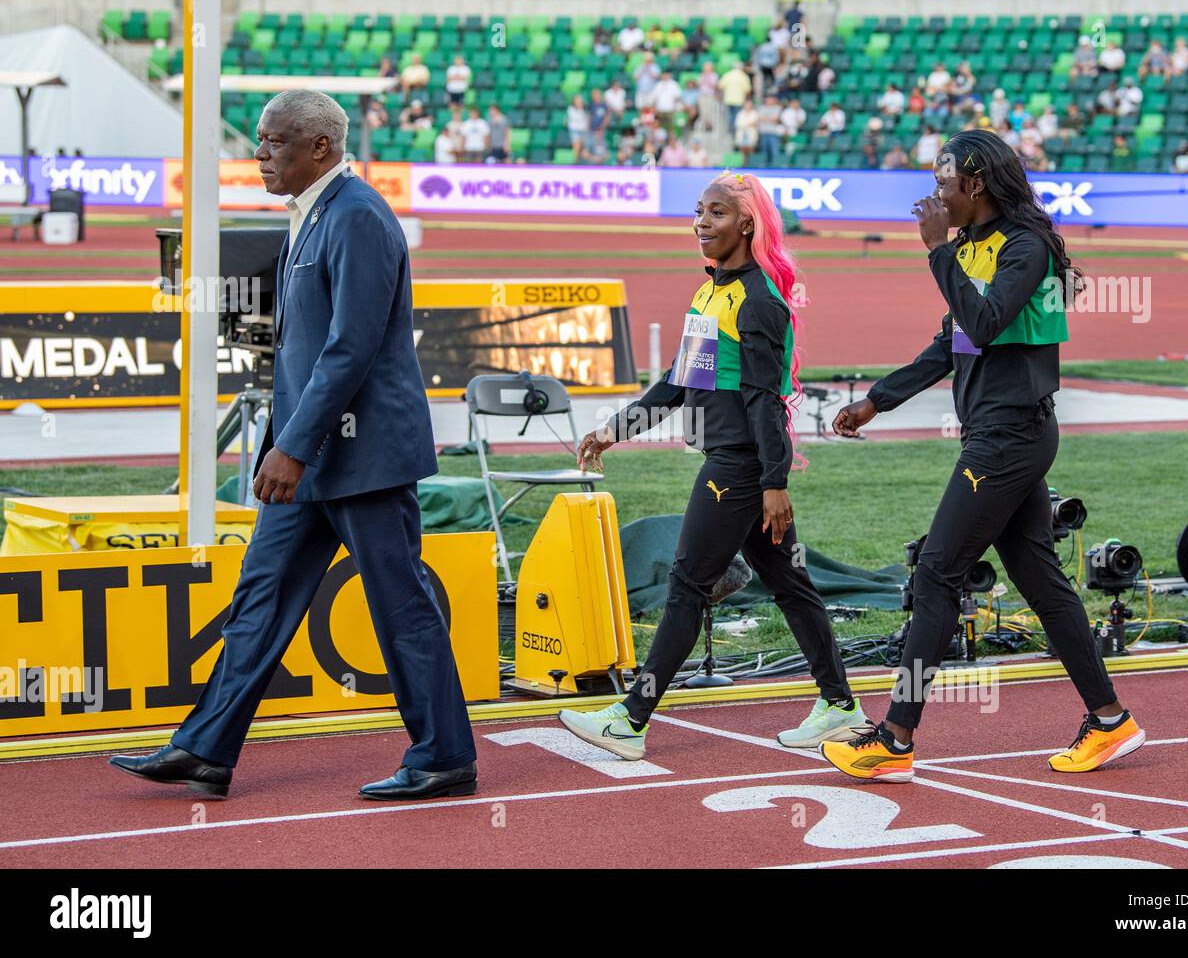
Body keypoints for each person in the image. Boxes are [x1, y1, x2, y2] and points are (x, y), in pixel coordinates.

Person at [109, 90, 477, 801]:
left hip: (361, 458)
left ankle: (444, 755)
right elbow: (301, 352)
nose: (260, 153)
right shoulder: (310, 217)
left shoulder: (360, 217)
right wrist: (289, 444)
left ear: (320, 148)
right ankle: (206, 748)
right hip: (310, 461)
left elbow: (350, 348)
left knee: (399, 604)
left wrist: (293, 446)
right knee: (261, 595)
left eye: (275, 141)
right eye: (259, 139)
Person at [822, 130, 1143, 782]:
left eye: (943, 183)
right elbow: (951, 343)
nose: (934, 196)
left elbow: (989, 320)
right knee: (1043, 582)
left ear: (977, 185)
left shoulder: (1023, 248)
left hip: (1010, 437)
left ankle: (895, 737)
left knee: (937, 573)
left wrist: (938, 251)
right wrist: (876, 403)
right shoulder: (976, 248)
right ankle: (1110, 720)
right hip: (999, 437)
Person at [558, 171, 867, 760]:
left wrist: (774, 482)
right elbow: (678, 383)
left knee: (687, 585)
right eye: (699, 211)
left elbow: (765, 402)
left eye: (717, 212)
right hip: (738, 464)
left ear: (746, 223)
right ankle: (840, 706)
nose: (702, 221)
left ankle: (631, 718)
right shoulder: (710, 294)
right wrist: (612, 430)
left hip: (740, 468)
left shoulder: (757, 301)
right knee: (790, 584)